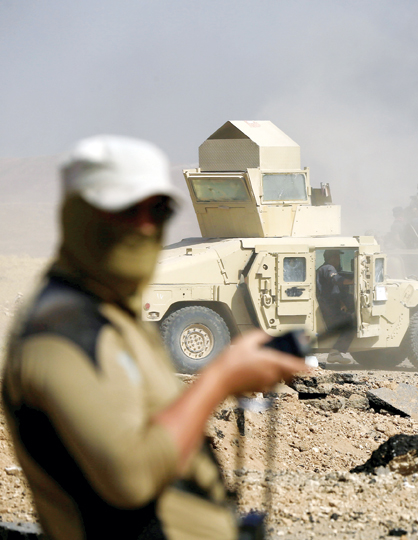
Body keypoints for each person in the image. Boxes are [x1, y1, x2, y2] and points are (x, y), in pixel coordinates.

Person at [1, 135, 308, 540]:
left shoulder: (110, 314)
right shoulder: (59, 332)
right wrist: (221, 379)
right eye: (124, 209)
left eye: (158, 210)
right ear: (77, 214)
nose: (144, 225)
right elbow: (129, 476)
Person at [316, 249, 356, 363]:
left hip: (331, 306)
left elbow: (332, 290)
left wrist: (341, 303)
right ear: (330, 258)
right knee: (351, 324)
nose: (338, 260)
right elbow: (336, 279)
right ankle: (335, 352)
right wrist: (352, 281)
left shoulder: (324, 268)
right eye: (336, 257)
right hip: (328, 308)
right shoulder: (328, 268)